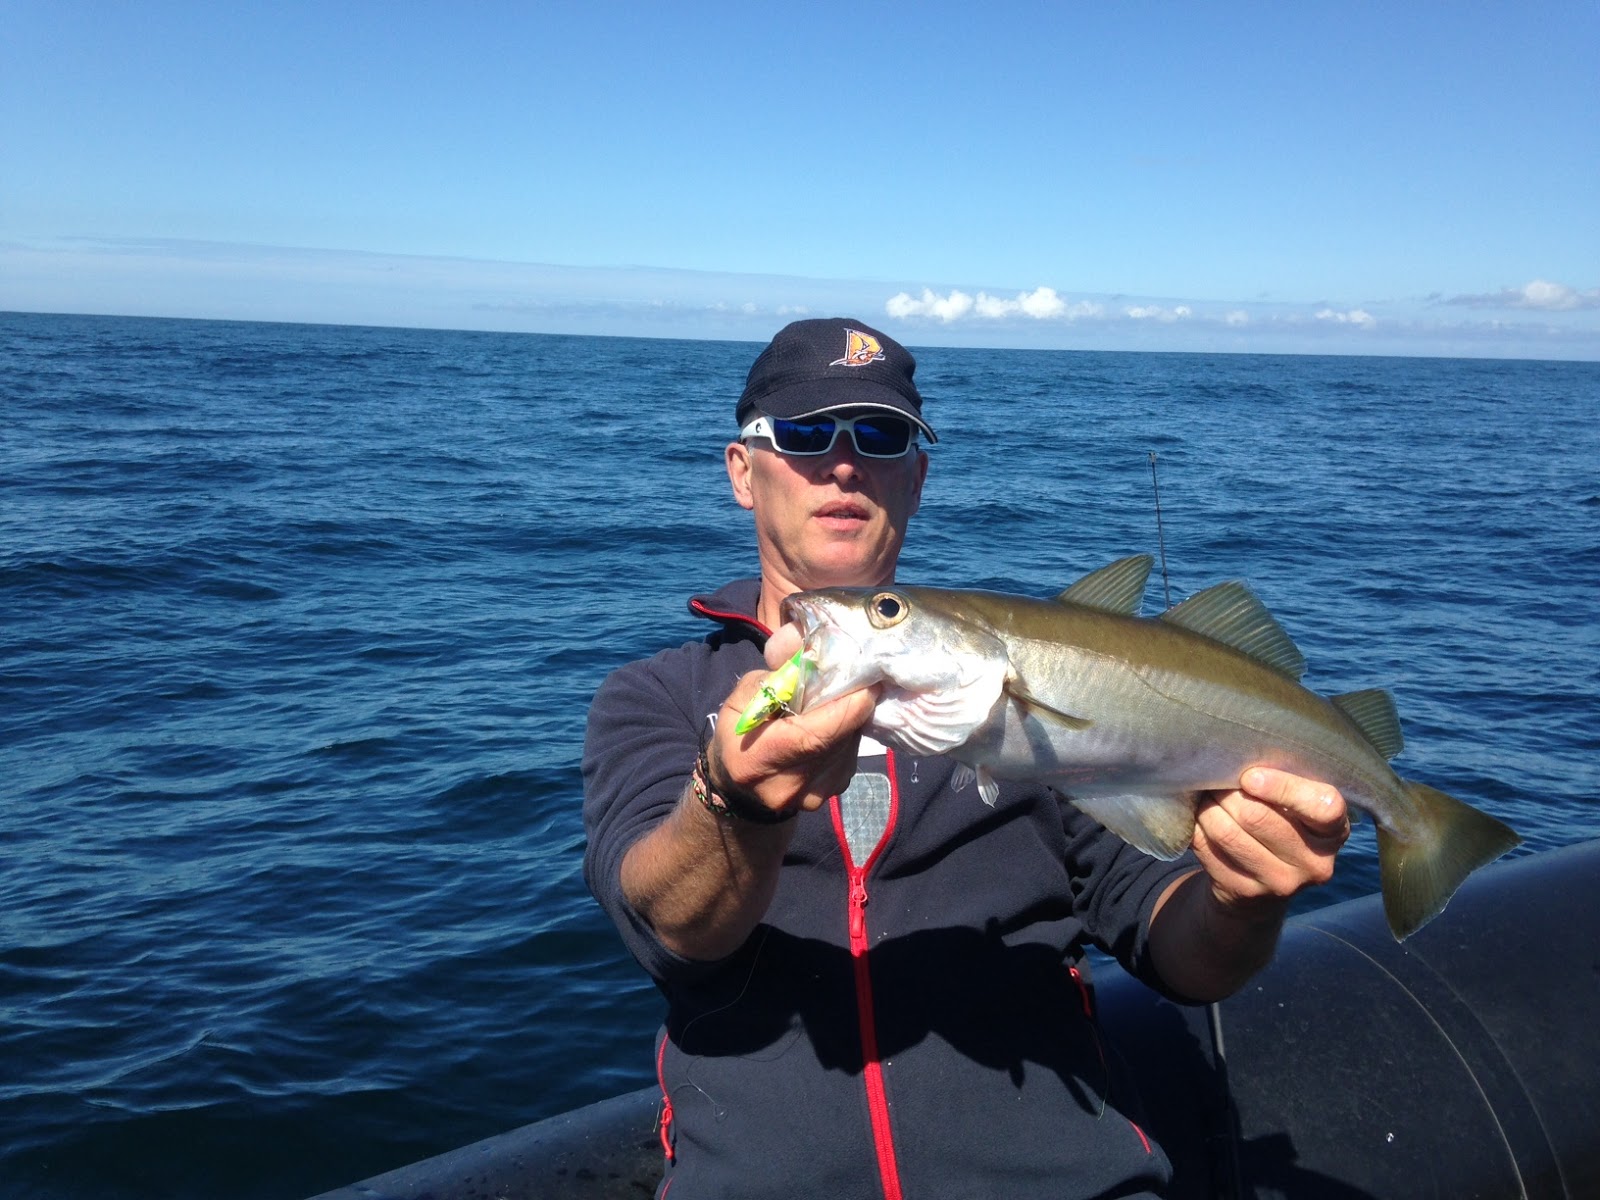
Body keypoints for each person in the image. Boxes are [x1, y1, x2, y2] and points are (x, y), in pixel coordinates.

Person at [582, 318, 1351, 1199]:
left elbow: (1178, 952)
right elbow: (665, 926)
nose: (843, 464)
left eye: (881, 435)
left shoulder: (1015, 698)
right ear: (741, 472)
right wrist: (734, 803)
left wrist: (1242, 900)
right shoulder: (657, 698)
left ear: (917, 476)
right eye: (802, 434)